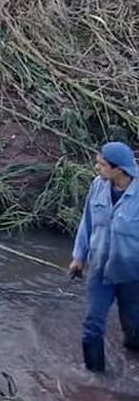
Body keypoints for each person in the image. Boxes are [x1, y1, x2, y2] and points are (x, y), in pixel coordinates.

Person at [69, 141, 139, 373]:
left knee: (135, 327)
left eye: (101, 164)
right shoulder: (98, 186)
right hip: (99, 269)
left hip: (132, 274)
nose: (96, 168)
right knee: (92, 324)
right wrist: (79, 257)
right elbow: (87, 222)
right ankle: (95, 381)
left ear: (119, 169)